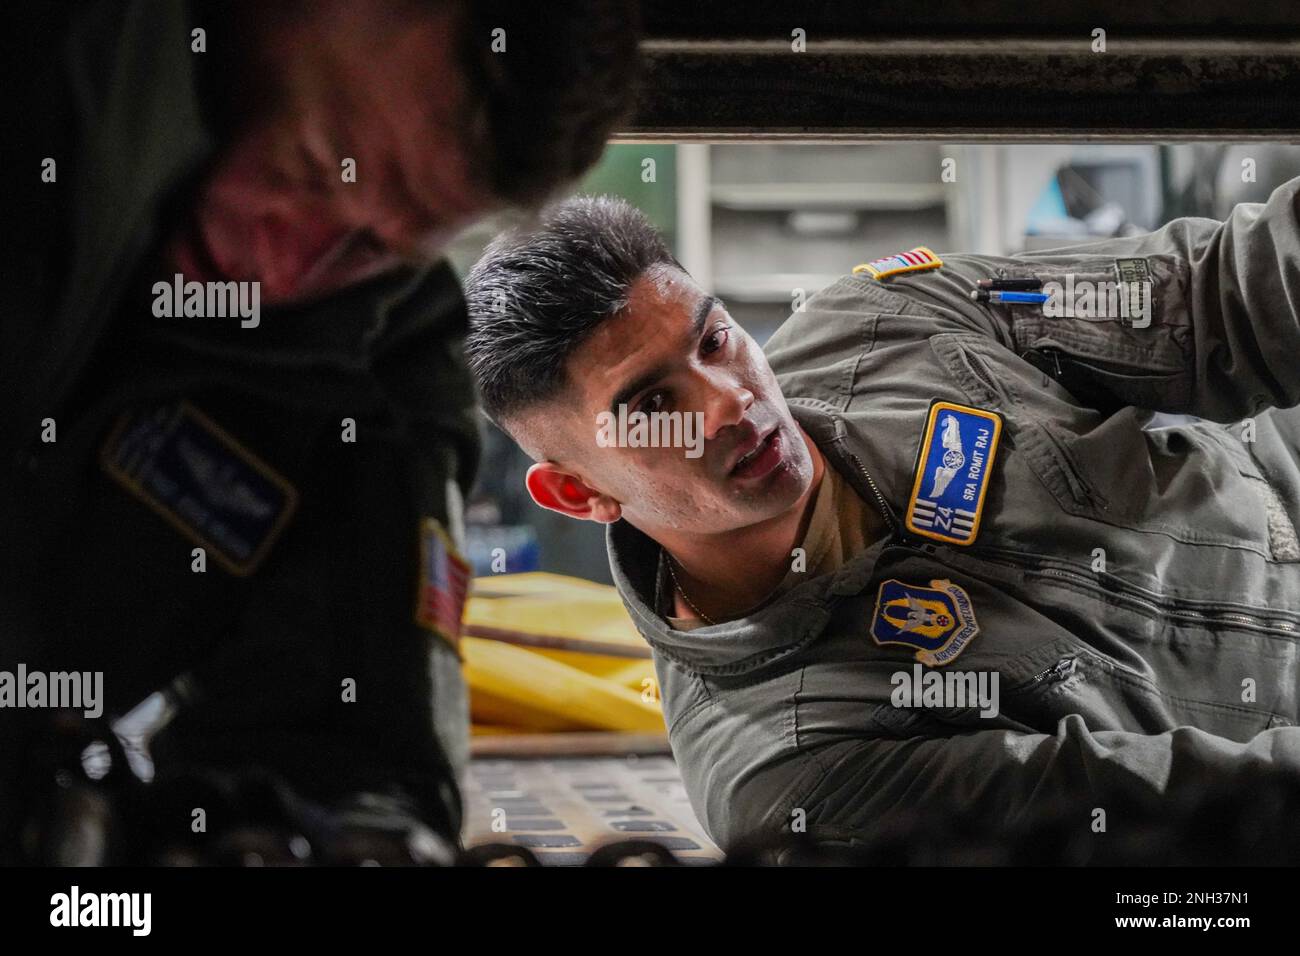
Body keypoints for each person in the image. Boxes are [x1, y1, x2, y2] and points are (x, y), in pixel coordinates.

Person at [464, 182, 1300, 853]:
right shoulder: (796, 770)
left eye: (713, 341)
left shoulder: (892, 318)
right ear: (580, 494)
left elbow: (1222, 295)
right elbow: (1200, 818)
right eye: (654, 403)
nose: (733, 405)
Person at [2, 0, 640, 861]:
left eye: (372, 247)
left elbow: (342, 762)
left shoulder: (382, 364)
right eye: (306, 168)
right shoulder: (60, 73)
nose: (280, 264)